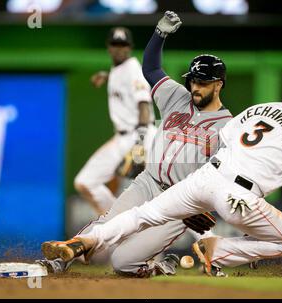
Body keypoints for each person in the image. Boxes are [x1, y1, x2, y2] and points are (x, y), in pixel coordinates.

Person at [41, 67, 282, 276]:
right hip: (238, 194)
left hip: (204, 177)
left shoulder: (259, 109)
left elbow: (225, 141)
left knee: (143, 214)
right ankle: (220, 251)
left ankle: (85, 240)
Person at [40, 11, 233, 277]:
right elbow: (151, 69)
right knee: (106, 222)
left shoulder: (227, 126)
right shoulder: (177, 97)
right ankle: (61, 260)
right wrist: (159, 34)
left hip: (179, 202)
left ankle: (158, 265)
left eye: (202, 82)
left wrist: (204, 204)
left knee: (122, 262)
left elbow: (224, 175)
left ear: (218, 84)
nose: (195, 87)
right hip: (149, 181)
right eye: (192, 80)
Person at [74, 27, 157, 215]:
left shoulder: (134, 69)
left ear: (130, 47)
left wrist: (140, 143)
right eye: (115, 45)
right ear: (108, 47)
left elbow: (143, 103)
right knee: (85, 182)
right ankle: (114, 221)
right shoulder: (119, 70)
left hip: (141, 136)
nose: (119, 49)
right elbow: (122, 78)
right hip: (122, 138)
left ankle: (207, 237)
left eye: (123, 45)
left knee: (168, 192)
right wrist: (106, 75)